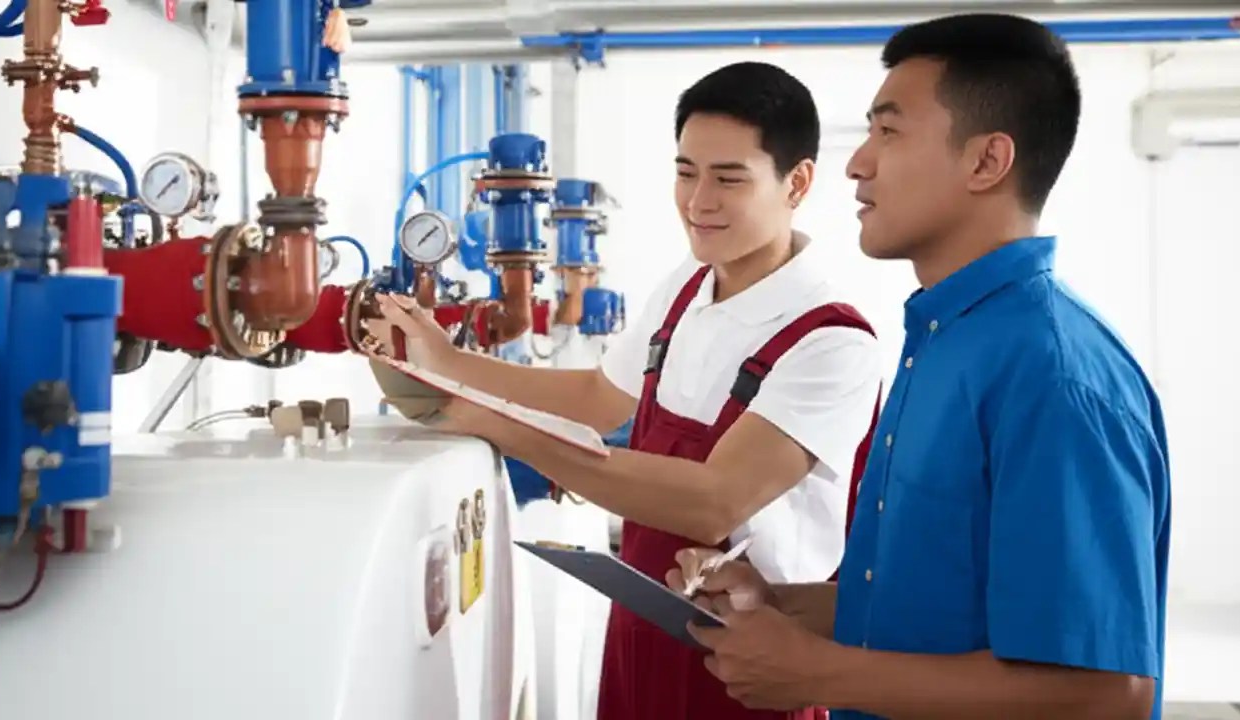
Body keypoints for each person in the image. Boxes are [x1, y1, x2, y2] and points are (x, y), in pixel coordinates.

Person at [664, 13, 1172, 720]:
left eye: (888, 131)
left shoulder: (1051, 373)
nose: (856, 162)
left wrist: (822, 675)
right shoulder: (941, 338)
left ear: (986, 162)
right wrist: (775, 603)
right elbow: (921, 606)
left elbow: (1104, 692)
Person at [368, 61, 884, 719]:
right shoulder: (690, 284)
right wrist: (445, 362)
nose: (698, 202)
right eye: (685, 171)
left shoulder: (831, 340)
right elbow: (596, 398)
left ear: (797, 183)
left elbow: (713, 502)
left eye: (729, 178)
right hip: (642, 630)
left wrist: (495, 423)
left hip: (752, 670)